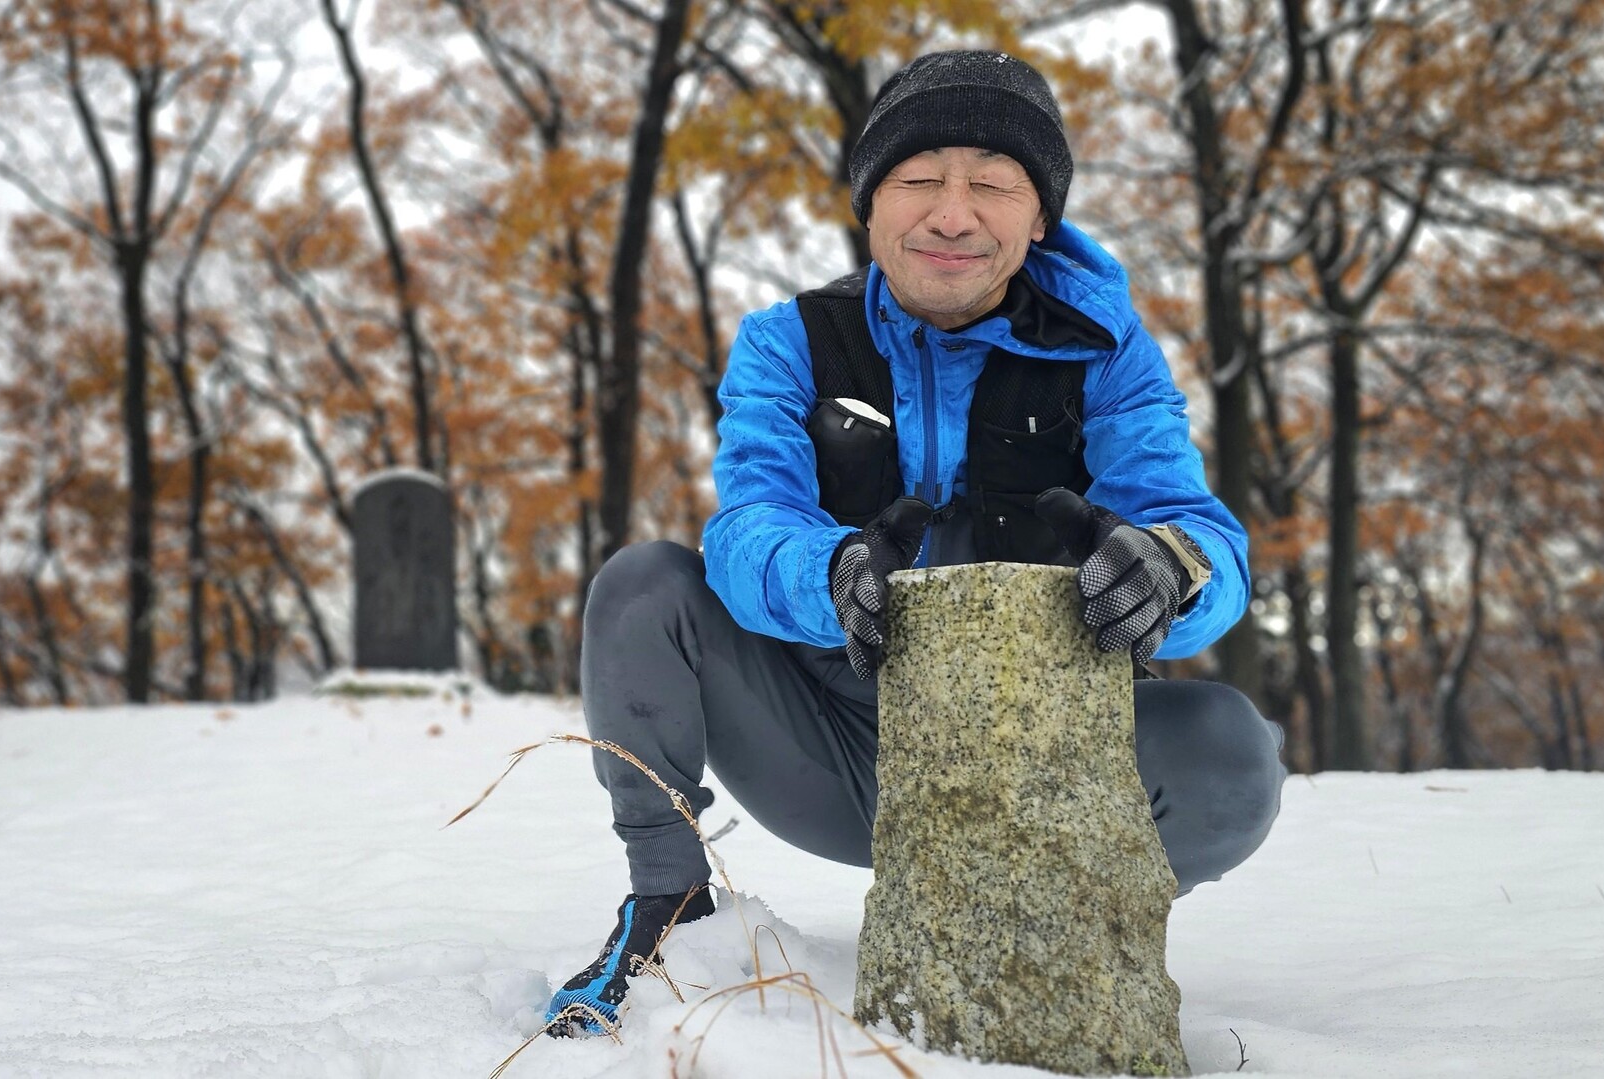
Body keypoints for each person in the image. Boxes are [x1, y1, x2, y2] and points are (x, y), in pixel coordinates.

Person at [544, 50, 1286, 1037]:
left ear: (1037, 218)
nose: (952, 212)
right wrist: (832, 572)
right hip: (835, 746)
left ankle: (1046, 925)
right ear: (869, 204)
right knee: (643, 584)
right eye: (919, 179)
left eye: (991, 183)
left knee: (1232, 746)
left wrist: (1168, 566)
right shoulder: (789, 341)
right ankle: (666, 910)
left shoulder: (1105, 351)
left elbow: (1200, 532)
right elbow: (747, 525)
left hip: (1040, 764)